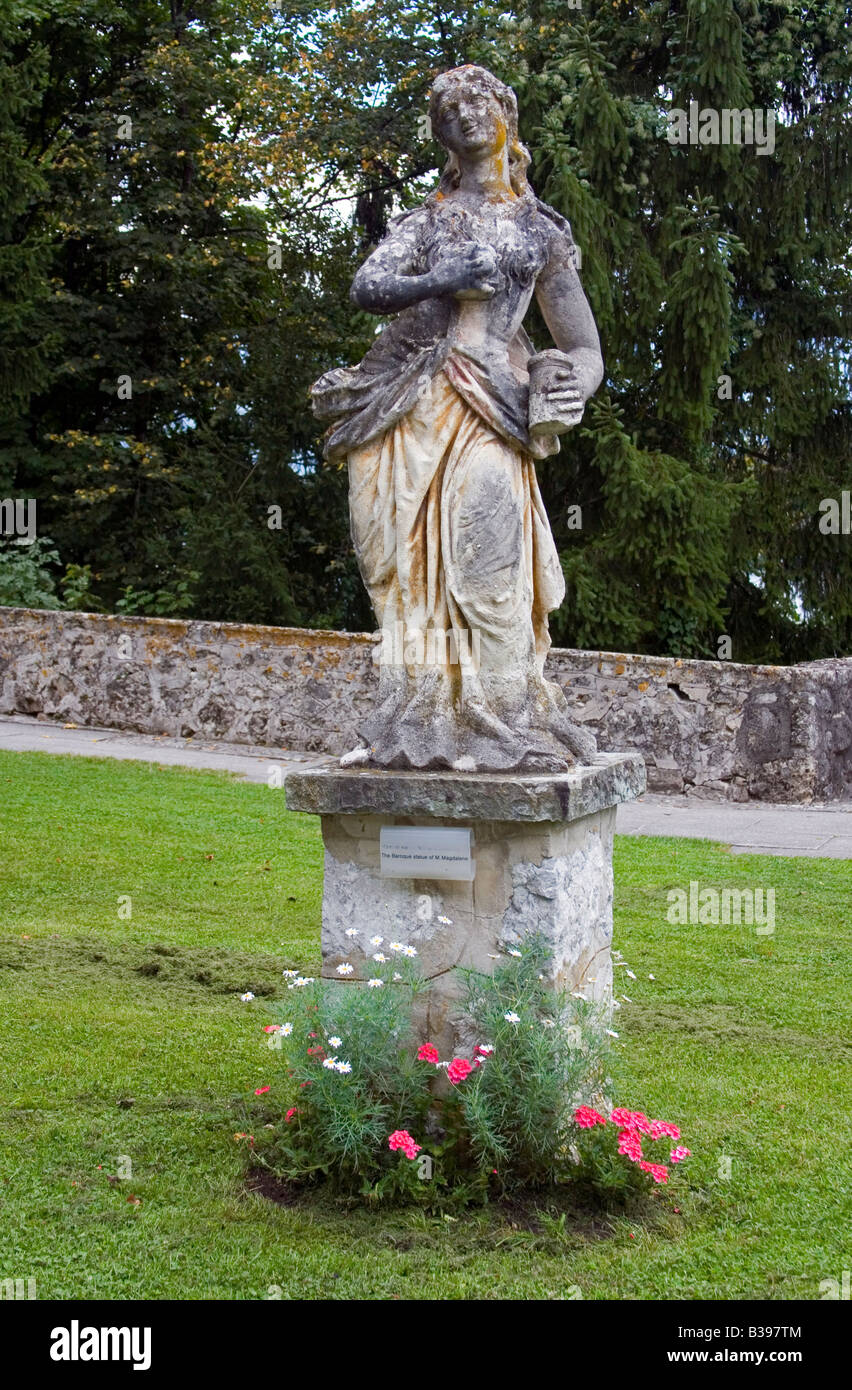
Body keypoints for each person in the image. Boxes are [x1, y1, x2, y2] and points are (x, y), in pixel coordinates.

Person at [311, 64, 604, 772]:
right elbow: (368, 286)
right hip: (415, 406)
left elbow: (584, 347)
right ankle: (425, 721)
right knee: (412, 573)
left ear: (506, 112)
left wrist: (569, 388)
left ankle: (504, 721)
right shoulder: (428, 220)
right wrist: (444, 279)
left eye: (477, 100)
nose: (463, 114)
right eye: (447, 108)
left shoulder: (540, 230)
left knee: (487, 565)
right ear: (439, 132)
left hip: (495, 408)